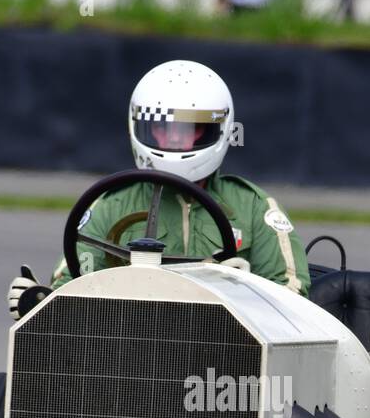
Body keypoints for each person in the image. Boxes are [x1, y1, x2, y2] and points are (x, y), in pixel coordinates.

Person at [50, 59, 309, 295]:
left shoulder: (252, 206)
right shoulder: (111, 205)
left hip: (224, 342)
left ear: (217, 129)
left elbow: (292, 294)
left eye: (189, 130)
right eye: (162, 127)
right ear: (140, 125)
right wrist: (35, 299)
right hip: (129, 337)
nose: (174, 138)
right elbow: (67, 289)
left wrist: (246, 290)